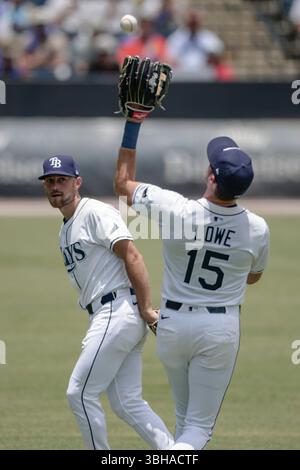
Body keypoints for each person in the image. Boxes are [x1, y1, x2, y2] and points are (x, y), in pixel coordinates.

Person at [114, 113, 270, 449]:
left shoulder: (175, 209)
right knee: (199, 429)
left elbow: (122, 183)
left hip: (172, 323)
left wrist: (133, 122)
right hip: (218, 327)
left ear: (211, 177)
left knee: (185, 421)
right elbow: (253, 278)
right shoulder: (257, 228)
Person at [39, 154, 174, 450]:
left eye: (61, 180)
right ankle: (176, 453)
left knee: (79, 393)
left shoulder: (94, 212)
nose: (55, 187)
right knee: (127, 403)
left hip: (117, 312)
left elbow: (132, 256)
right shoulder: (65, 228)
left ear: (78, 182)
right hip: (112, 314)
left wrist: (147, 309)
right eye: (49, 181)